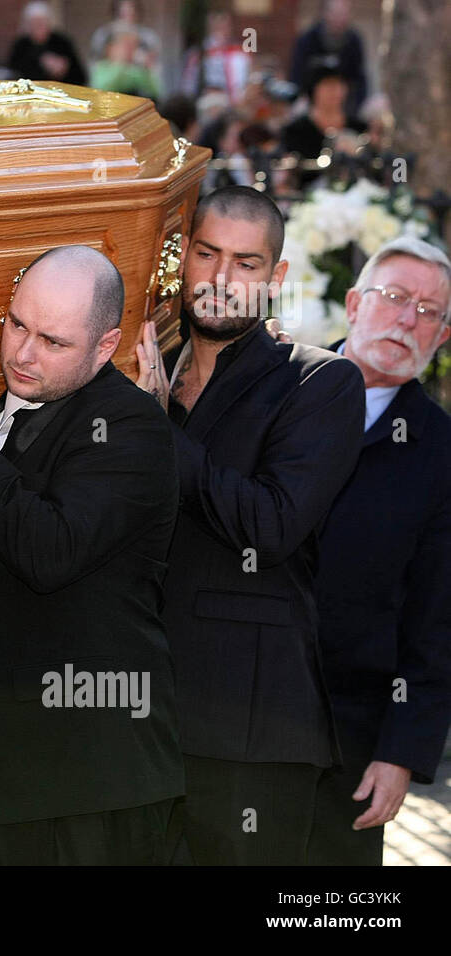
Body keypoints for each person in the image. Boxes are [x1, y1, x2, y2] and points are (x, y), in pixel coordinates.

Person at [0, 245, 182, 865]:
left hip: (79, 790)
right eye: (15, 325)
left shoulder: (132, 426)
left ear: (106, 344)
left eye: (53, 342)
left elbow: (48, 551)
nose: (23, 354)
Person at [133, 185, 366, 865]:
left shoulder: (318, 383)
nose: (221, 279)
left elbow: (270, 525)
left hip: (252, 732)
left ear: (276, 278)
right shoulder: (140, 373)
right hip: (133, 722)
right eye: (206, 254)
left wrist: (157, 428)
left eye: (246, 263)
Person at [307, 237, 451, 865]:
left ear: (443, 337)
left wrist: (401, 752)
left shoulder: (442, 453)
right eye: (394, 297)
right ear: (353, 303)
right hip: (230, 713)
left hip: (352, 736)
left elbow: (437, 619)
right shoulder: (275, 389)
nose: (407, 320)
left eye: (429, 311)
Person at [281, 67, 365, 190]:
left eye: (339, 85)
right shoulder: (296, 130)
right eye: (328, 85)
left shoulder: (359, 127)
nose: (335, 91)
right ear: (313, 89)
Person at [291, 0, 368, 116]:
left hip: (344, 103)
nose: (340, 18)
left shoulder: (354, 40)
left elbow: (360, 78)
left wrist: (358, 105)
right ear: (325, 13)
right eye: (336, 13)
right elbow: (296, 74)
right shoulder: (308, 39)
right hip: (312, 102)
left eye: (344, 13)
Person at [8, 2, 87, 86]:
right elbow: (13, 74)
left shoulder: (62, 43)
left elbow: (80, 76)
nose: (38, 27)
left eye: (41, 22)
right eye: (34, 23)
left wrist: (64, 69)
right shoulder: (21, 45)